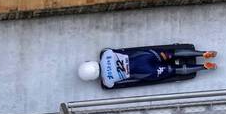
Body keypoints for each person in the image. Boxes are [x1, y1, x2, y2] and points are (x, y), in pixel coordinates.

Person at [79, 43, 217, 89]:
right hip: (144, 57)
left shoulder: (107, 81)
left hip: (147, 72)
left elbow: (108, 85)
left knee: (172, 71)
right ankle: (202, 53)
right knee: (170, 54)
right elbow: (108, 50)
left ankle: (203, 67)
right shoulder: (106, 55)